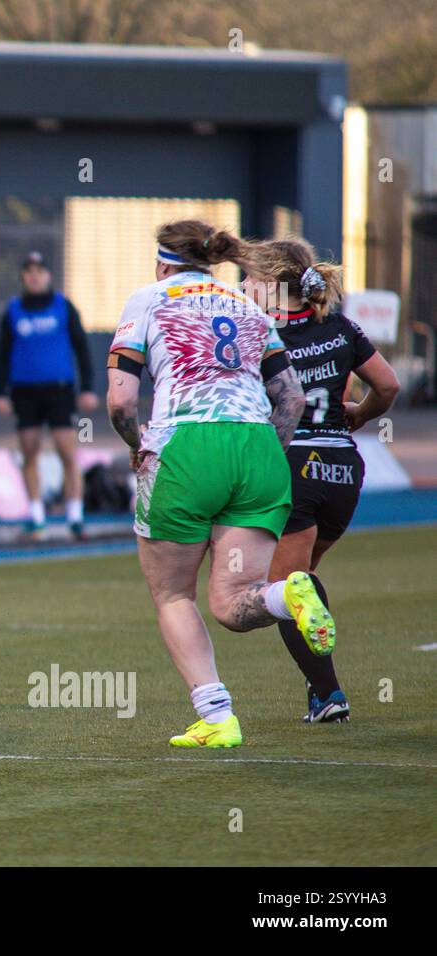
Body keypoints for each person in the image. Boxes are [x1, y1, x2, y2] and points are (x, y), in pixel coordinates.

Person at [106, 219, 333, 750]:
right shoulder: (247, 303)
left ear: (164, 261)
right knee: (235, 601)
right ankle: (287, 594)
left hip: (185, 449)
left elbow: (120, 401)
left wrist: (135, 444)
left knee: (173, 595)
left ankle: (217, 716)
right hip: (257, 450)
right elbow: (292, 400)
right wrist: (263, 459)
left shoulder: (148, 298)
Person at [241, 237, 400, 724]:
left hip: (293, 466)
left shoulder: (258, 333)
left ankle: (328, 695)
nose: (243, 286)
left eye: (249, 278)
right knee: (304, 583)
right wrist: (358, 416)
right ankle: (322, 691)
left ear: (270, 284)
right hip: (343, 471)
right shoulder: (337, 324)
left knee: (290, 588)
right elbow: (388, 384)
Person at [0, 252, 97, 538]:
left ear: (48, 275)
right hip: (25, 390)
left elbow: (81, 348)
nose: (34, 276)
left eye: (40, 270)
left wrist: (87, 387)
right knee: (29, 451)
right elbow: (2, 353)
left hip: (59, 389)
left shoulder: (63, 307)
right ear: (24, 277)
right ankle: (37, 516)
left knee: (67, 452)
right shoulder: (13, 310)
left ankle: (75, 516)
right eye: (29, 271)